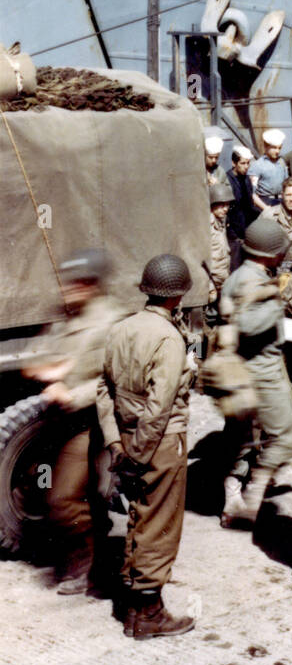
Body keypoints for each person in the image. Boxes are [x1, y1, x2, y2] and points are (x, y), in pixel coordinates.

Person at [95, 254, 197, 639]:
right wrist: (138, 453)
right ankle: (149, 613)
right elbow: (160, 408)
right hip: (160, 444)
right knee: (160, 523)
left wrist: (116, 443)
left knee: (140, 517)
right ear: (177, 296)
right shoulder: (169, 338)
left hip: (128, 440)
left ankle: (136, 610)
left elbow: (103, 390)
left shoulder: (121, 329)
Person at [22, 249, 124, 595]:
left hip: (90, 422)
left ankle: (84, 568)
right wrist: (46, 368)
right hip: (62, 420)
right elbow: (46, 351)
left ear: (92, 285)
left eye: (77, 283)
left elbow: (111, 381)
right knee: (66, 491)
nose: (68, 289)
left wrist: (72, 393)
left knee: (63, 499)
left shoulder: (109, 321)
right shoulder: (67, 316)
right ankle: (96, 553)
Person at [218, 219, 292, 526]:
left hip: (246, 370)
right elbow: (247, 324)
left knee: (243, 435)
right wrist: (275, 299)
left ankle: (241, 490)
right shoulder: (255, 283)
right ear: (269, 253)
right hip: (259, 372)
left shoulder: (240, 276)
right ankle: (247, 495)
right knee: (284, 434)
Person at [207, 180, 233, 307]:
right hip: (210, 281)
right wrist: (209, 285)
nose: (226, 209)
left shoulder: (221, 221)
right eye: (222, 205)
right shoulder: (206, 225)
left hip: (222, 279)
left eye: (227, 205)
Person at [248, 128, 288, 209]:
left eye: (279, 148)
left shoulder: (282, 162)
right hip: (265, 202)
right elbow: (252, 193)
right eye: (274, 148)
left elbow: (286, 183)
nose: (277, 151)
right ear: (266, 147)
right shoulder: (257, 165)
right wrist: (265, 208)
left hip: (281, 202)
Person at [226, 143, 258, 244]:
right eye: (243, 163)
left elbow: (249, 204)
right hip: (233, 228)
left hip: (246, 226)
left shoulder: (246, 179)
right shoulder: (228, 180)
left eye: (248, 163)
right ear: (233, 163)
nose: (246, 167)